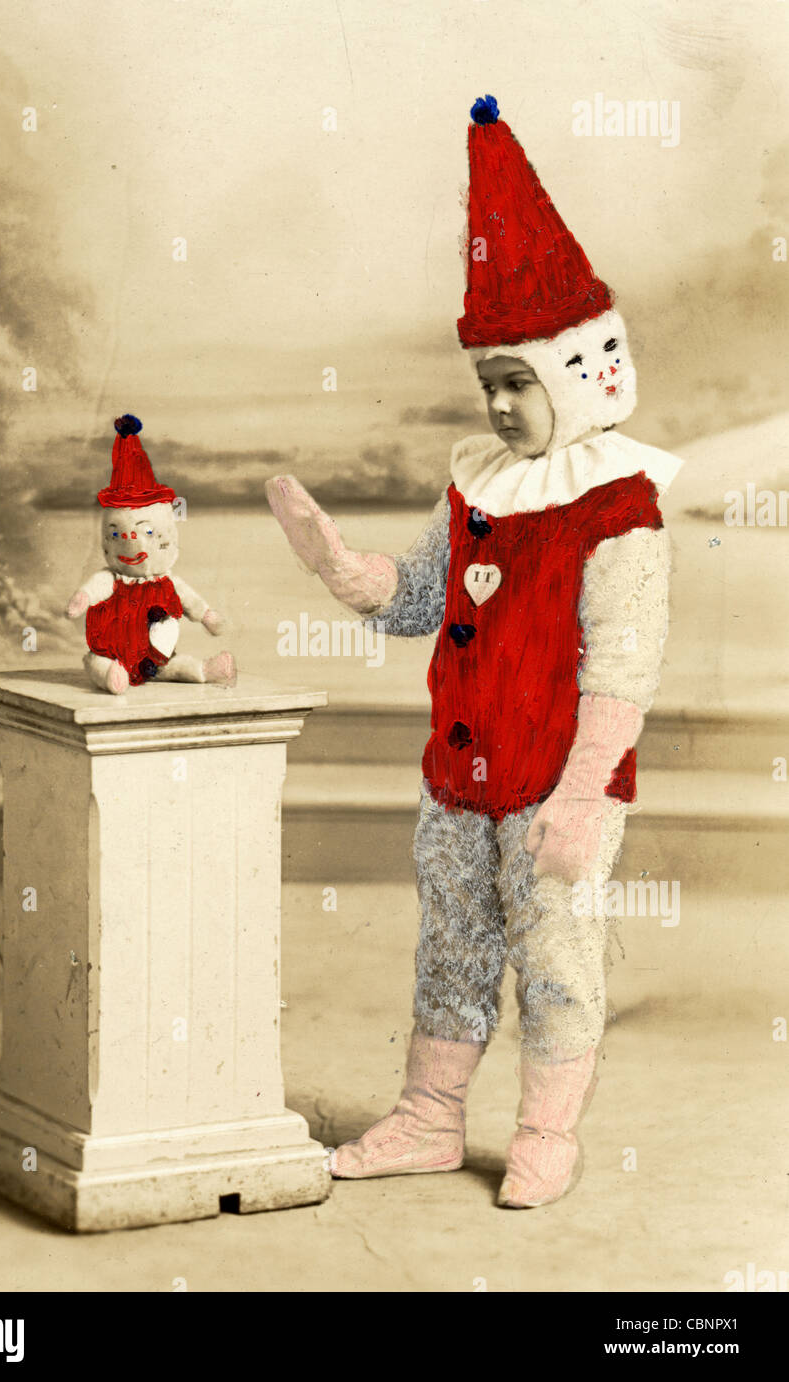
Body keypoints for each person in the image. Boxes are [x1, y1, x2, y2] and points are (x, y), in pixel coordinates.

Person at [266, 95, 682, 1207]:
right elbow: (417, 598)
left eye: (519, 381)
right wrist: (341, 571)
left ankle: (546, 1131)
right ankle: (429, 1116)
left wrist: (585, 794)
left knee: (553, 958)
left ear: (580, 373)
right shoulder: (476, 490)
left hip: (558, 780)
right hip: (459, 778)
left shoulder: (617, 511)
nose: (499, 404)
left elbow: (620, 670)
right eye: (487, 382)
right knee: (450, 946)